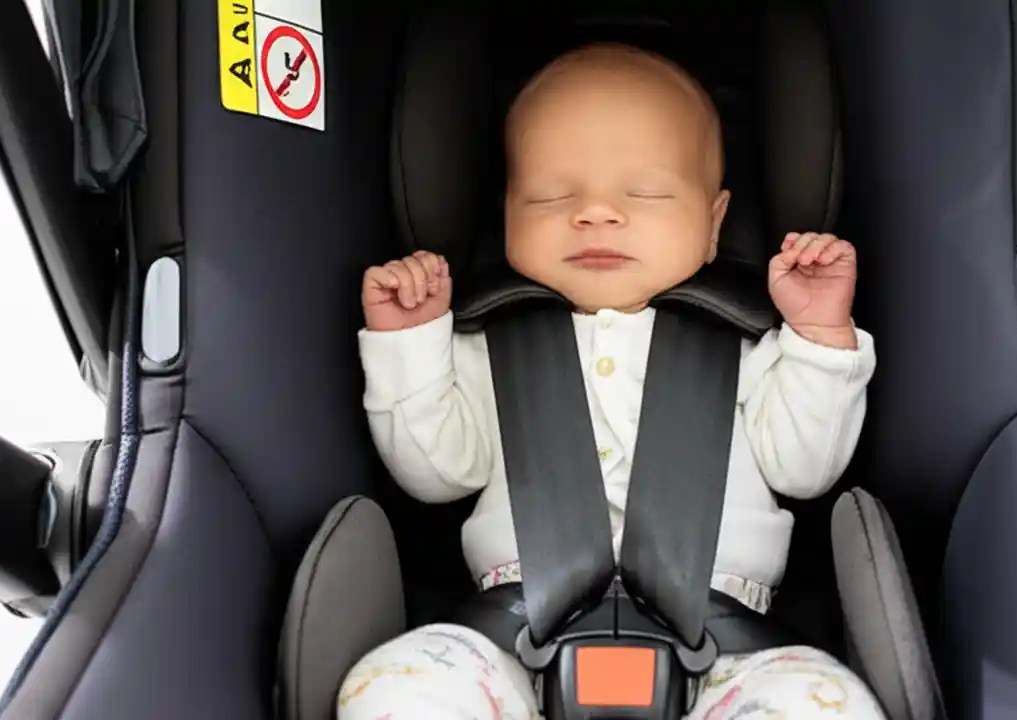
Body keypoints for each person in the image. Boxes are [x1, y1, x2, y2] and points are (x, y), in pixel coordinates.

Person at [341, 42, 883, 719]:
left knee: (823, 704)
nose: (595, 213)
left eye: (647, 192)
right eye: (552, 195)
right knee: (396, 685)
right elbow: (435, 473)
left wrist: (818, 335)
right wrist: (411, 341)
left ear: (714, 224)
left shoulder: (752, 350)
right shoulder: (485, 348)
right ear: (506, 213)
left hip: (723, 646)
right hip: (512, 636)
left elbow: (804, 468)